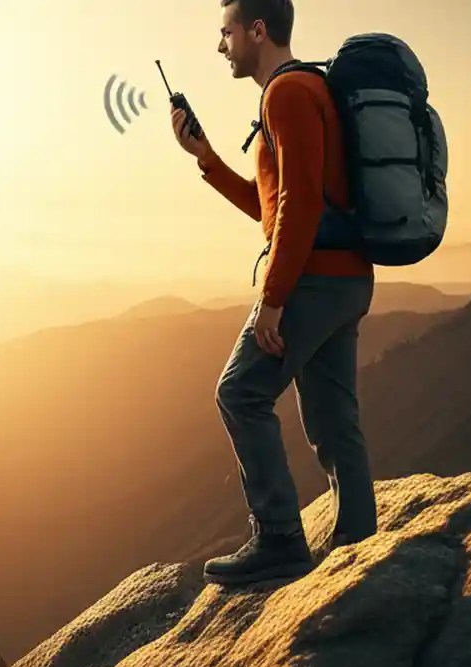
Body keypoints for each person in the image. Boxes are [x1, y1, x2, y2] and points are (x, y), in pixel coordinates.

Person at [170, 0, 377, 586]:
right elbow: (273, 207)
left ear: (257, 30)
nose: (221, 45)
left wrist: (274, 297)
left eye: (226, 32)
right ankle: (358, 540)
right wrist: (206, 158)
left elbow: (300, 203)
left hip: (312, 280)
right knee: (333, 416)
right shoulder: (309, 88)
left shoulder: (285, 95)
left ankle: (280, 538)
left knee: (239, 393)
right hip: (347, 278)